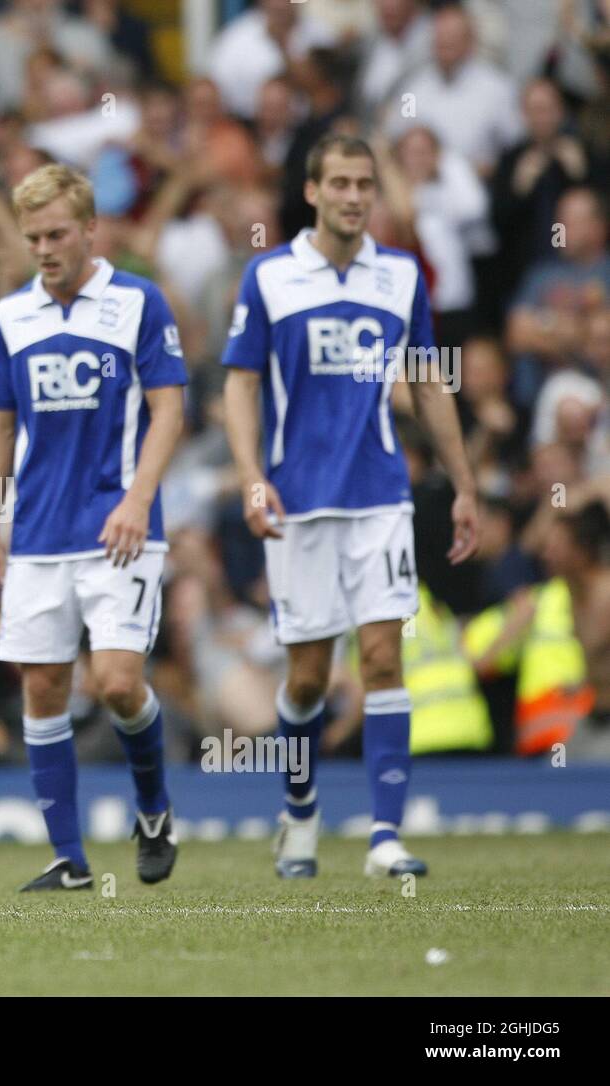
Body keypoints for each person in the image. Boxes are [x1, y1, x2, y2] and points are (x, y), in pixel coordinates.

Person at [221, 134, 479, 880]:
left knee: (380, 660)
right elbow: (239, 383)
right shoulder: (270, 277)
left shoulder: (400, 275)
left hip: (378, 495)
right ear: (312, 191)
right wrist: (250, 476)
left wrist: (463, 485)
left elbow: (428, 383)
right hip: (298, 501)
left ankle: (385, 837)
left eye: (365, 182)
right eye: (339, 182)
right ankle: (299, 814)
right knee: (308, 677)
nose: (354, 195)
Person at [0, 163, 187, 891]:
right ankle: (69, 858)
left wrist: (137, 498)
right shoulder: (13, 315)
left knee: (120, 683)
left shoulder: (138, 302)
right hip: (36, 531)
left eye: (57, 233)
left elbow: (171, 410)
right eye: (33, 237)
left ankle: (153, 809)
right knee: (42, 688)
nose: (45, 248)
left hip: (118, 529)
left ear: (92, 229)